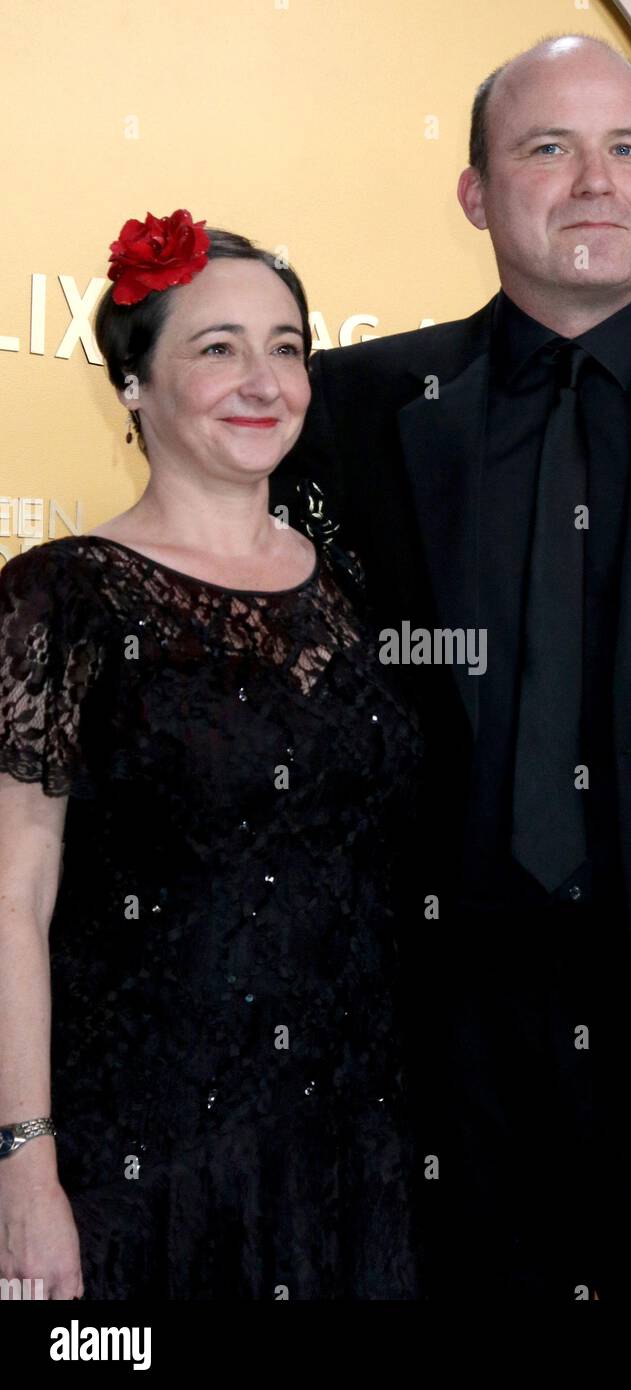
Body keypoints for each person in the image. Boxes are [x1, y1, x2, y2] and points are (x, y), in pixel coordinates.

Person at [270, 35, 631, 1299]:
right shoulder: (356, 405)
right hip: (431, 1051)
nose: (594, 181)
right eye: (547, 148)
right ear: (477, 193)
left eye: (627, 149)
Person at [0, 209, 425, 1299]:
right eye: (218, 347)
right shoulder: (60, 597)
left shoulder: (364, 585)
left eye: (286, 347)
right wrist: (24, 1165)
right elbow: (14, 897)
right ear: (132, 384)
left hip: (351, 1143)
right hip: (137, 1152)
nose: (263, 379)